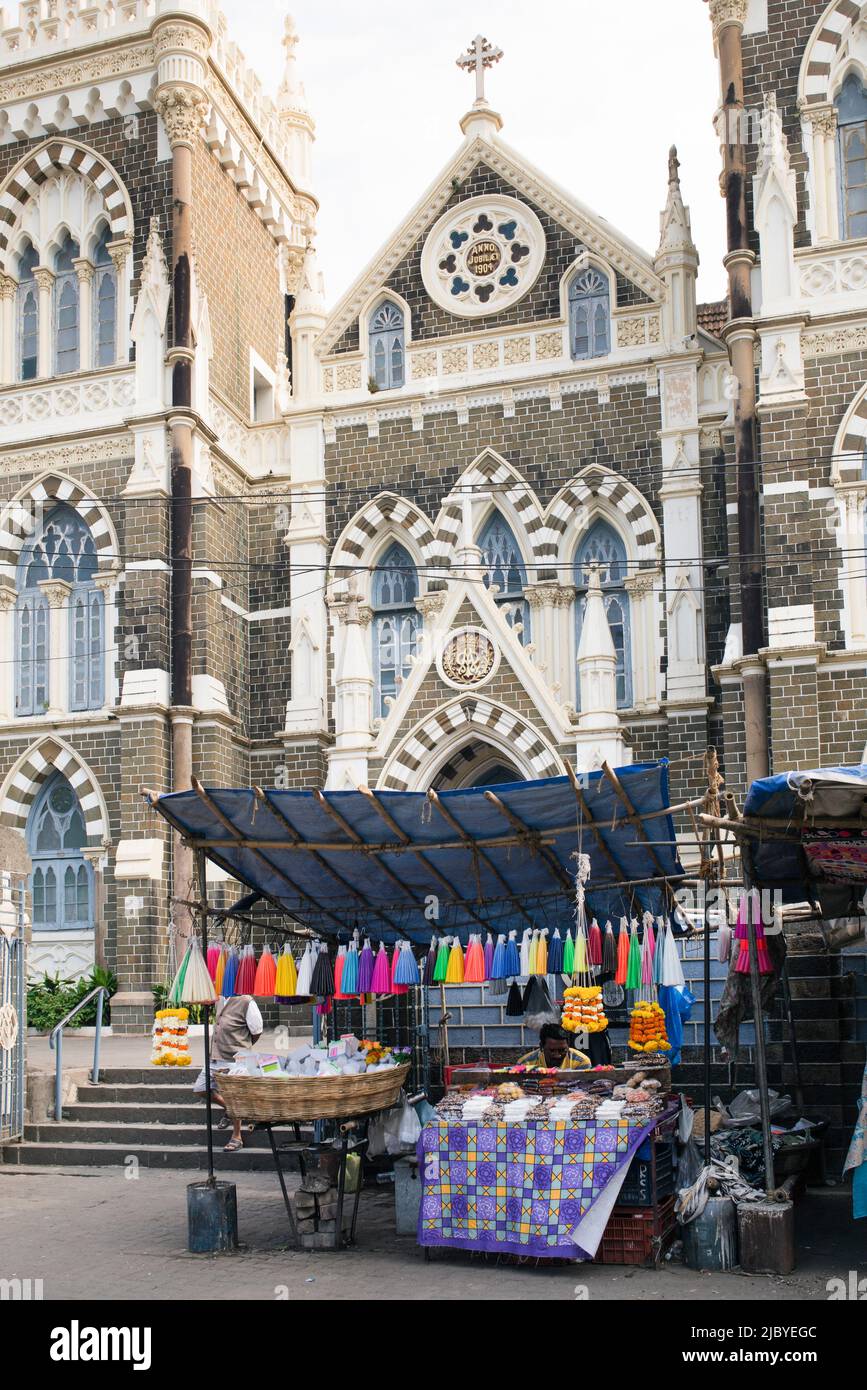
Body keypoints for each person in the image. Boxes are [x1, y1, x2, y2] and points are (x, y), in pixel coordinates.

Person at [193, 993, 263, 1151]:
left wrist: (243, 1046)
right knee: (201, 1088)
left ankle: (237, 1136)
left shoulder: (246, 1001)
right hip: (215, 1057)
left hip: (235, 1059)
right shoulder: (220, 998)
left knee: (234, 1096)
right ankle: (229, 1109)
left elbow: (257, 1031)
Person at [517, 1023, 591, 1071]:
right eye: (552, 1051)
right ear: (541, 1047)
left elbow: (584, 1091)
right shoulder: (525, 1064)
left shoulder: (582, 1062)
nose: (557, 1055)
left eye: (562, 1050)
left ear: (568, 1046)